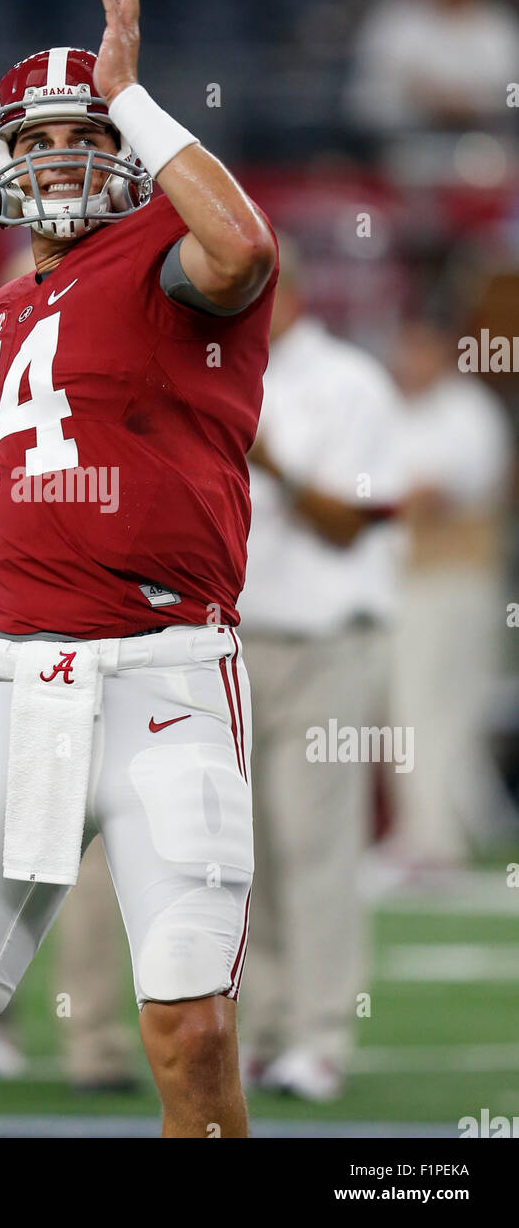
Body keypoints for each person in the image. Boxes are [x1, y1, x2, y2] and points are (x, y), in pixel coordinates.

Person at [0, 0, 279, 1138]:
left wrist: (132, 96)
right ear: (2, 157)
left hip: (164, 674)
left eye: (81, 133)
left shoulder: (166, 260)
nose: (58, 156)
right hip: (12, 686)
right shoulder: (7, 307)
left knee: (193, 1037)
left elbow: (243, 246)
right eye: (37, 139)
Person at [236, 243, 405, 1101]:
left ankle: (321, 1034)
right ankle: (264, 1031)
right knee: (246, 852)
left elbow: (350, 523)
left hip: (322, 642)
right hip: (232, 638)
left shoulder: (349, 384)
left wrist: (269, 462)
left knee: (314, 844)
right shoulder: (218, 373)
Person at [387, 315, 514, 869]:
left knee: (432, 712)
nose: (409, 364)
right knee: (415, 711)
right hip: (407, 585)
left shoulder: (468, 413)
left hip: (454, 584)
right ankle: (449, 831)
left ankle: (433, 844)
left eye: (419, 350)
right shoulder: (399, 414)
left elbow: (427, 496)